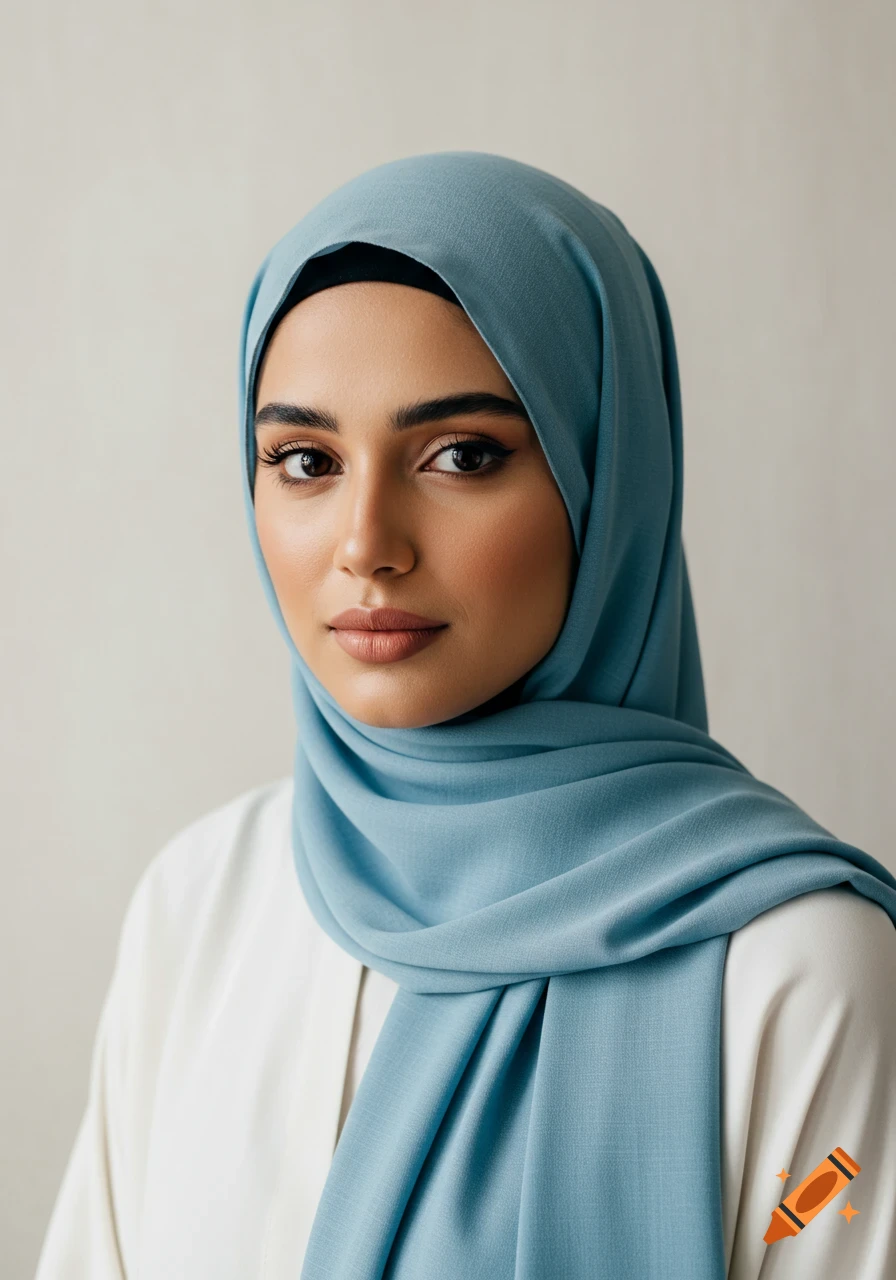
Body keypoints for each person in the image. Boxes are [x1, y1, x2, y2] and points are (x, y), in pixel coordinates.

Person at [35, 152, 896, 1280]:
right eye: (304, 459)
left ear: (604, 474)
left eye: (460, 454)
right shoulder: (201, 901)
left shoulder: (795, 965)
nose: (364, 544)